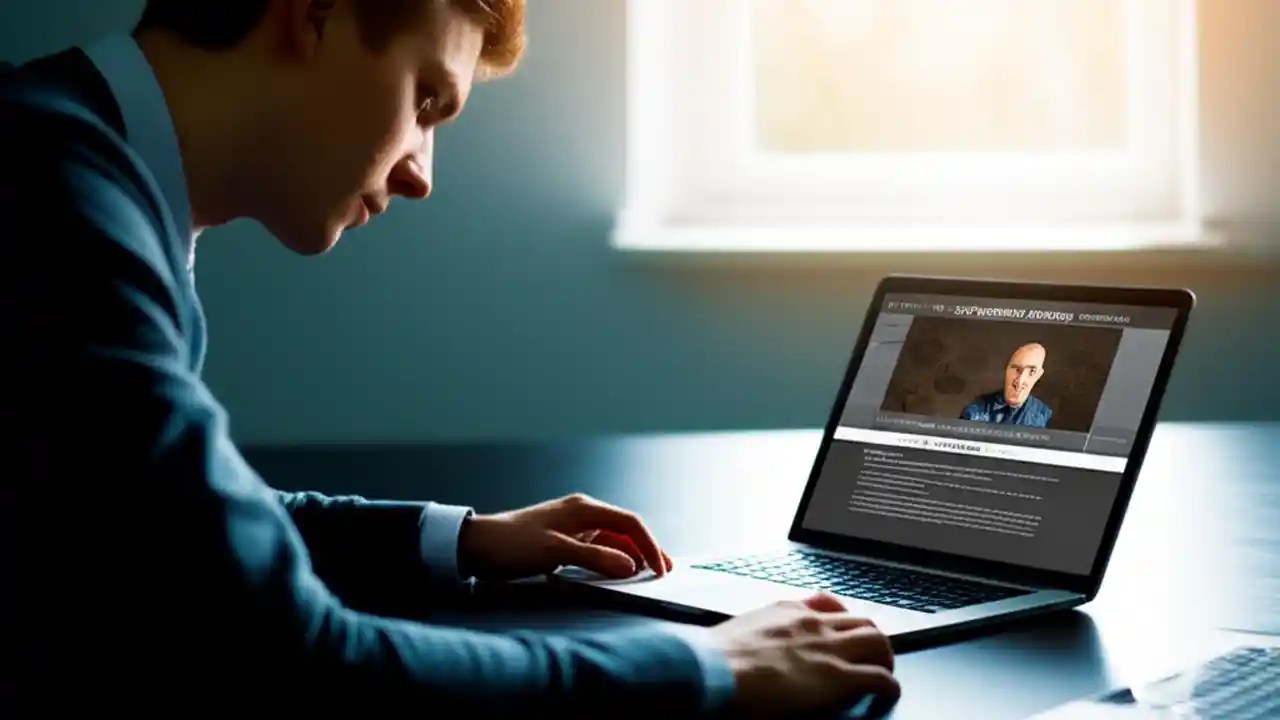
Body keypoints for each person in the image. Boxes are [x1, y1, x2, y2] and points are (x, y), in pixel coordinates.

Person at [0, 0, 899, 715]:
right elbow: (291, 659)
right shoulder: (54, 202)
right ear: (313, 14)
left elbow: (174, 534)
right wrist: (703, 668)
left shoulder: (75, 162)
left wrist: (465, 539)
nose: (420, 173)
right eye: (426, 100)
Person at [960, 342, 1054, 428]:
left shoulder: (1043, 414)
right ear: (1006, 369)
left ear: (1038, 375)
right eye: (1017, 369)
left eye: (1032, 372)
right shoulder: (976, 410)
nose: (1020, 381)